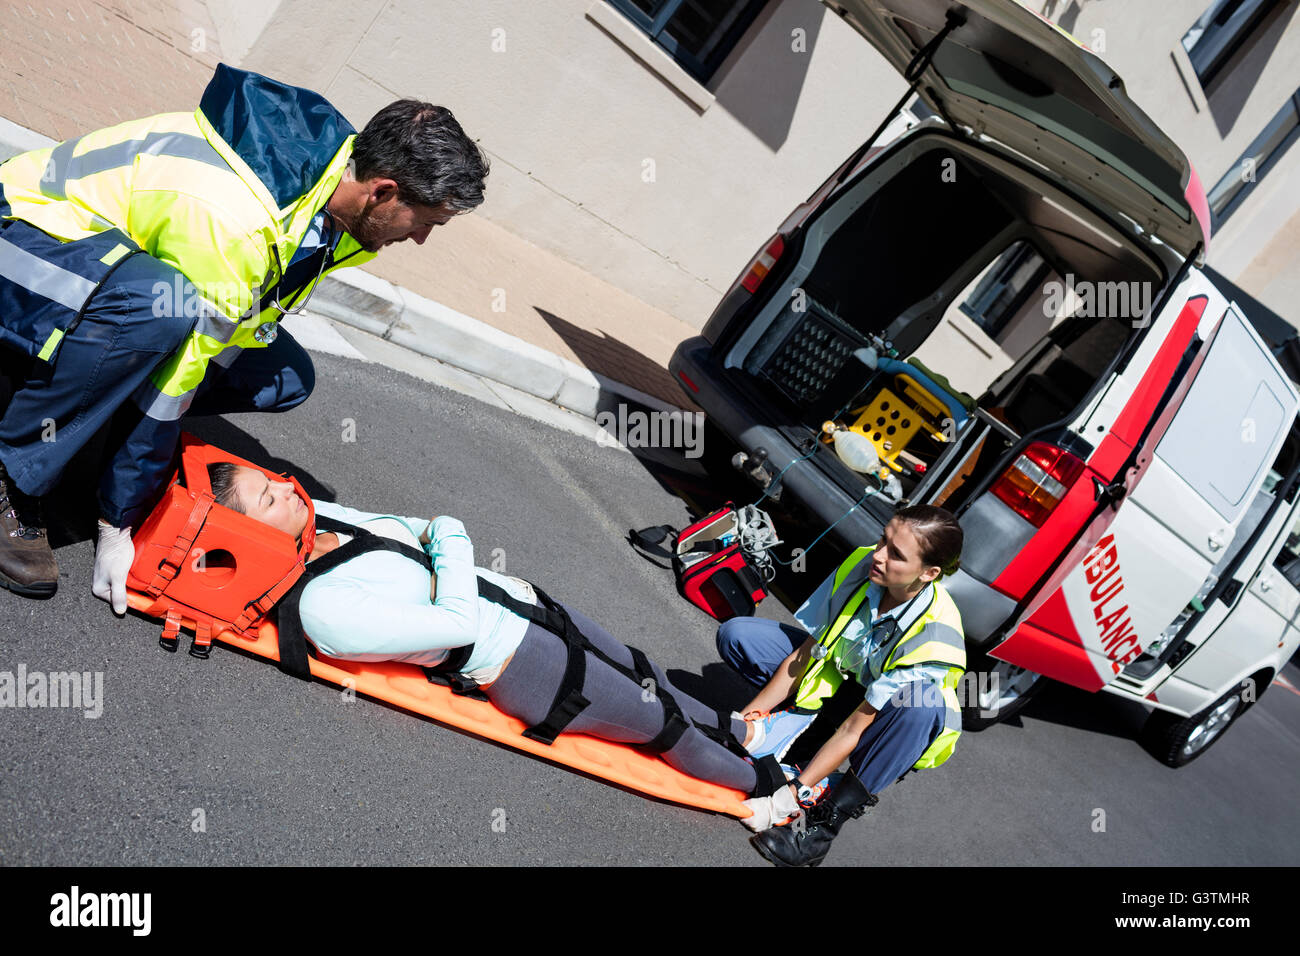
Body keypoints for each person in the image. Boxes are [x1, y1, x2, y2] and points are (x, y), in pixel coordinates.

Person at [0, 63, 489, 605]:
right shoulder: (241, 218)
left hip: (96, 271)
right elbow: (179, 375)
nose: (420, 240)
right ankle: (16, 472)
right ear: (383, 191)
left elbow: (235, 321)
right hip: (23, 241)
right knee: (159, 311)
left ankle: (84, 407)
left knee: (282, 375)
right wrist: (121, 520)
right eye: (424, 222)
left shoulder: (334, 196)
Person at [205, 461, 771, 796]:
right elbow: (456, 621)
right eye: (268, 497)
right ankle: (774, 791)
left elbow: (414, 528)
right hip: (524, 666)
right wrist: (450, 537)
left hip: (530, 604)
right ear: (252, 535)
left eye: (273, 480)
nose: (286, 485)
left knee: (643, 671)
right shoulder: (322, 606)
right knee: (665, 728)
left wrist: (443, 540)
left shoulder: (319, 519)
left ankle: (740, 730)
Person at [717, 505, 966, 866]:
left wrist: (791, 796)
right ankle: (804, 738)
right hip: (851, 685)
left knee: (920, 702)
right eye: (883, 539)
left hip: (894, 723)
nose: (878, 554)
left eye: (896, 554)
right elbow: (805, 655)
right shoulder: (863, 565)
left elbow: (856, 725)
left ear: (928, 573)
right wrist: (748, 720)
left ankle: (821, 825)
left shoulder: (934, 636)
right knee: (739, 635)